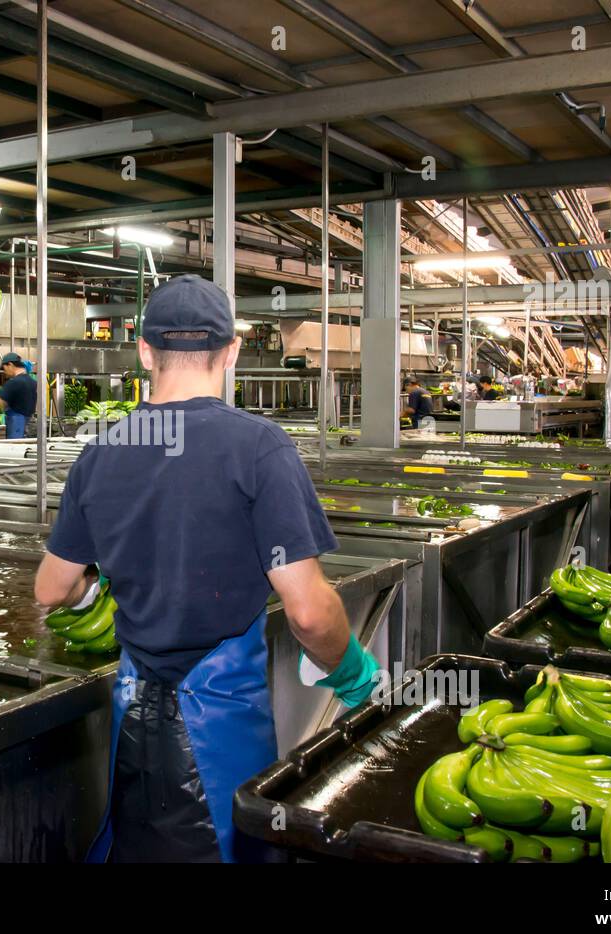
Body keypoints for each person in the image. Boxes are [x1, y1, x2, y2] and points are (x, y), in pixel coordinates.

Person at [33, 274, 379, 863]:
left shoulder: (100, 452)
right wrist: (352, 673)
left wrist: (93, 594)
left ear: (144, 350)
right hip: (220, 725)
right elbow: (307, 610)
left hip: (133, 717)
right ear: (233, 351)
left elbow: (51, 587)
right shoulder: (259, 448)